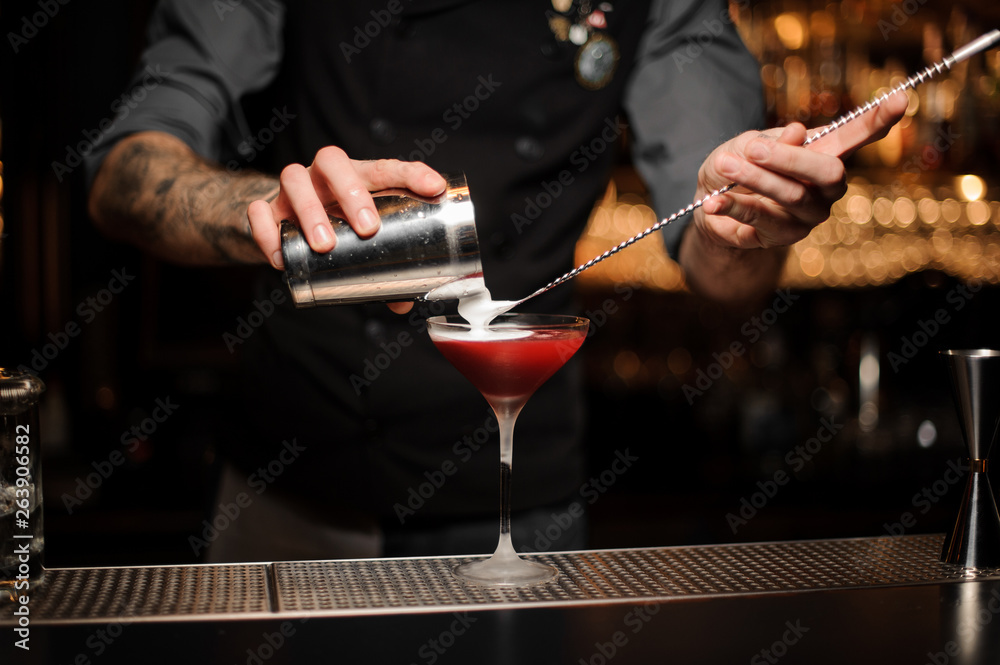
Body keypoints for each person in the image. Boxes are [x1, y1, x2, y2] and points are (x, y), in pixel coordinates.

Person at [85, 0, 906, 562]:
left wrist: (744, 222)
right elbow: (124, 172)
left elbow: (726, 270)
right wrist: (258, 208)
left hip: (519, 496)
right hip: (286, 484)